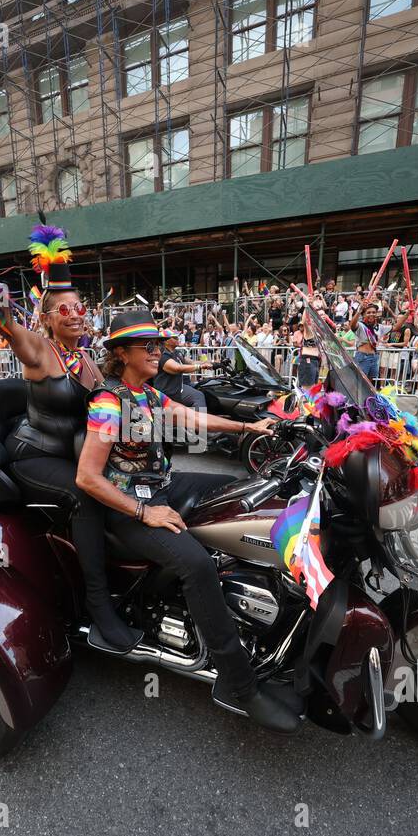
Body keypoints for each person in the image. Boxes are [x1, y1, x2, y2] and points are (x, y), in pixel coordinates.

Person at [75, 311, 300, 733]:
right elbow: (87, 477)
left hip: (161, 484)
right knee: (196, 565)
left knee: (238, 493)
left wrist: (249, 427)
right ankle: (240, 682)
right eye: (148, 346)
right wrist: (145, 513)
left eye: (159, 345)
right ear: (122, 354)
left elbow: (190, 417)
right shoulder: (109, 403)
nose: (158, 351)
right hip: (128, 504)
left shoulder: (147, 394)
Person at [0, 215, 142, 651]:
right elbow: (1, 316)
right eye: (63, 310)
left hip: (71, 453)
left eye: (79, 308)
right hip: (33, 455)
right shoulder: (38, 349)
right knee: (88, 494)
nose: (74, 315)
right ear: (47, 320)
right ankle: (98, 607)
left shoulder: (87, 360)